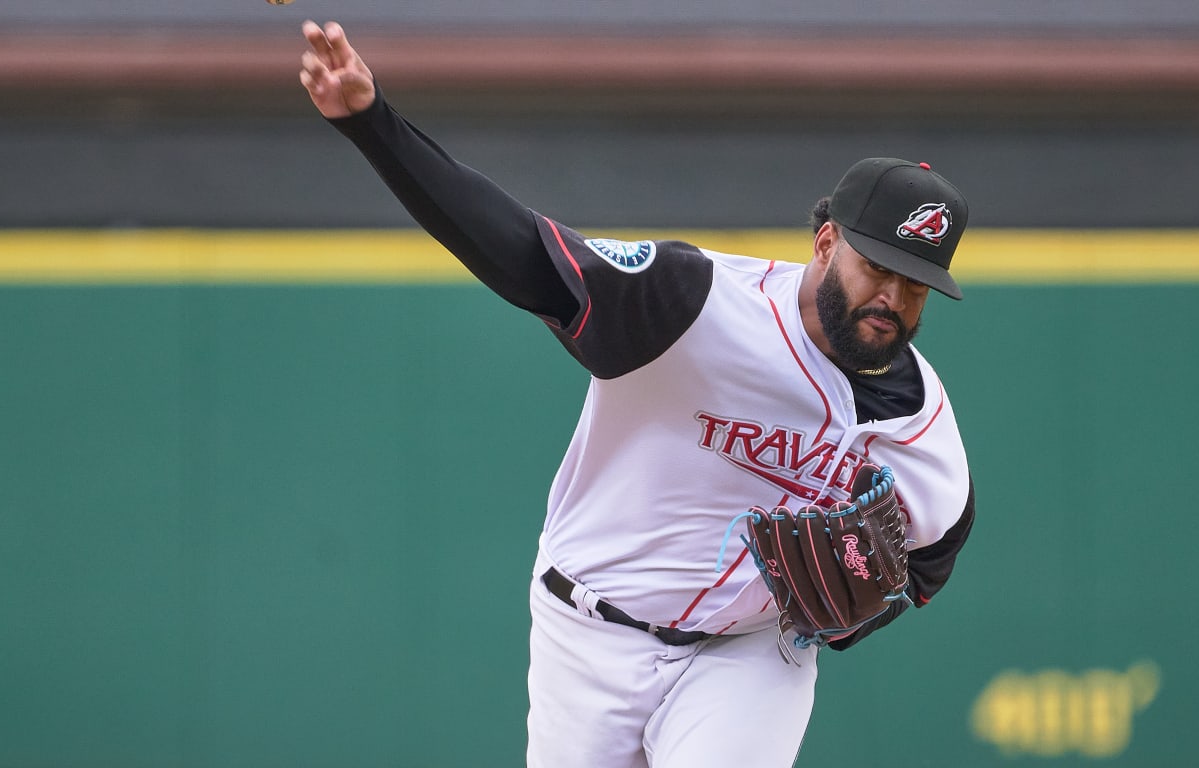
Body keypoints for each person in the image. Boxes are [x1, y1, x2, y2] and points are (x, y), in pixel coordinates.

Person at [297, 19, 976, 768]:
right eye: (877, 267)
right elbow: (518, 249)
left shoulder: (915, 416)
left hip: (747, 658)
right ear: (824, 244)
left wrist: (854, 619)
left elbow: (937, 543)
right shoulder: (693, 302)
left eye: (916, 284)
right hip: (588, 632)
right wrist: (371, 123)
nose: (893, 297)